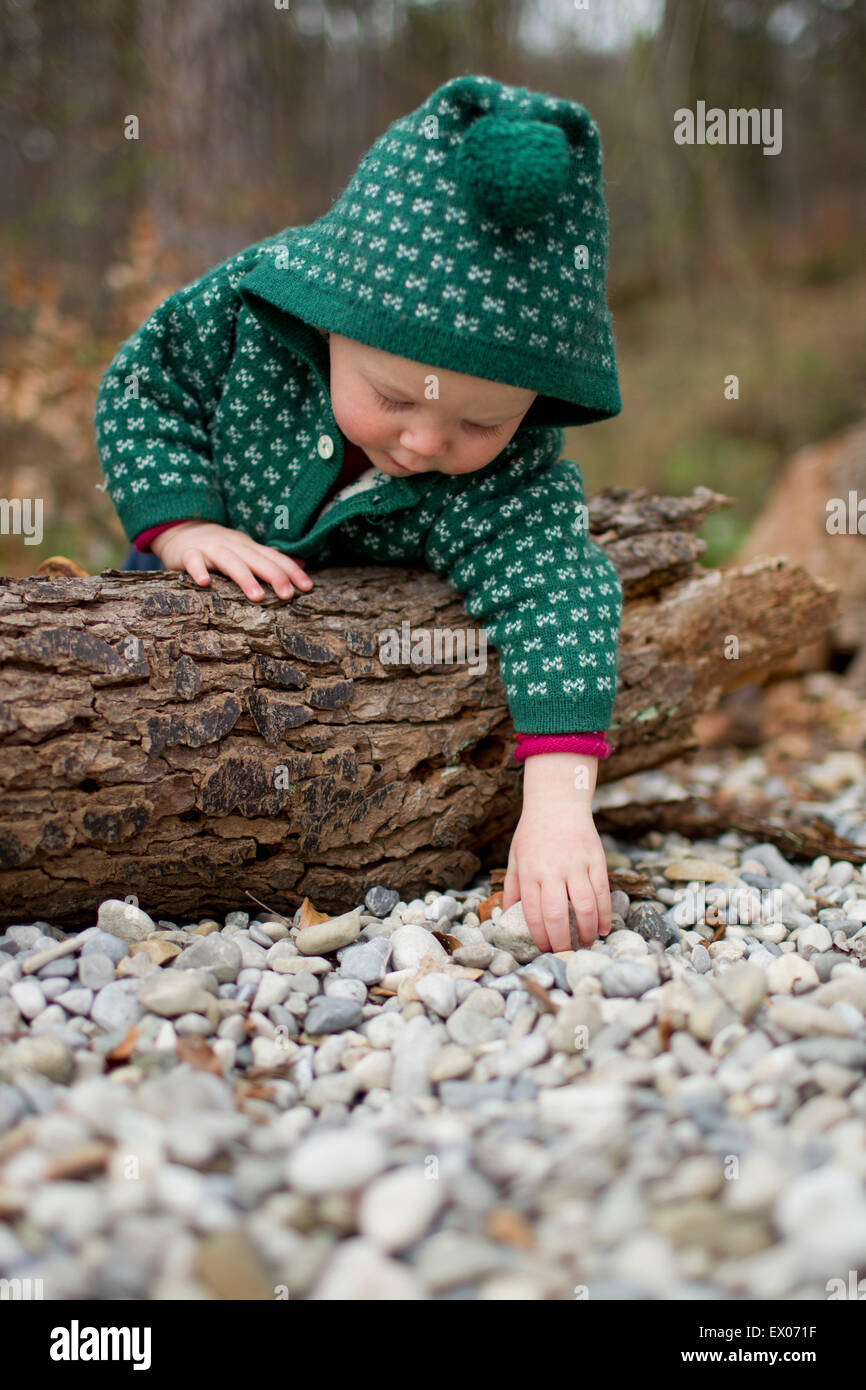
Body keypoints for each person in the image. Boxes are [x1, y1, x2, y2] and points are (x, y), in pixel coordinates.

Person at [96, 74, 624, 953]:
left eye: (478, 422)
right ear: (330, 321)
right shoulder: (246, 319)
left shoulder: (508, 478)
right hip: (180, 591)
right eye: (393, 398)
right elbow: (144, 386)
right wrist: (184, 523)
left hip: (336, 692)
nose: (423, 442)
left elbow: (558, 596)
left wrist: (559, 812)